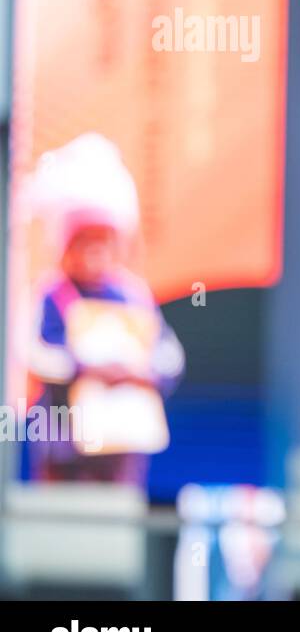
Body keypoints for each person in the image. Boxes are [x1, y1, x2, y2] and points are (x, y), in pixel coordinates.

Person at [25, 133, 185, 486]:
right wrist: (84, 366)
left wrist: (137, 370)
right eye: (86, 244)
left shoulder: (132, 295)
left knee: (114, 522)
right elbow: (34, 355)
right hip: (63, 443)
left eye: (104, 244)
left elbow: (169, 357)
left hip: (122, 443)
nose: (96, 254)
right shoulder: (52, 294)